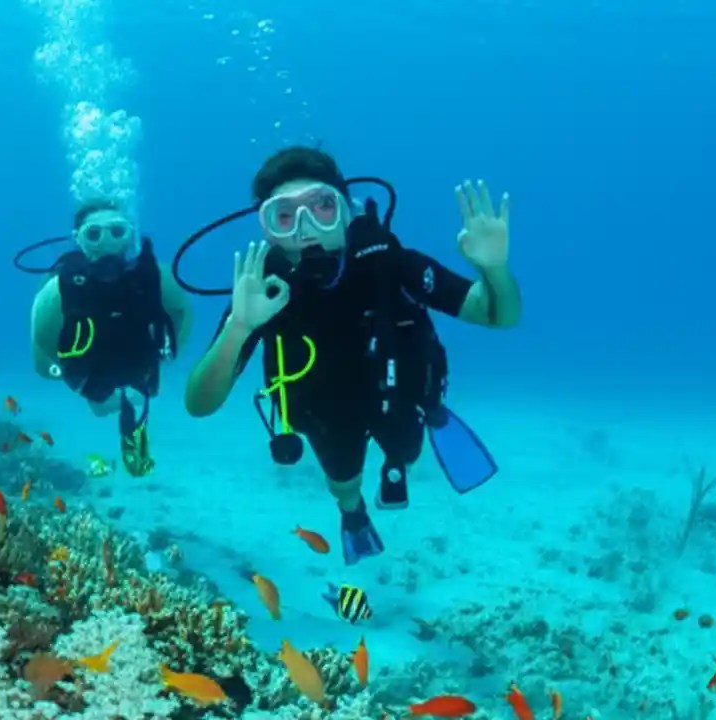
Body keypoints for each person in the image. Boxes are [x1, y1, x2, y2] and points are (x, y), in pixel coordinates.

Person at [177, 147, 521, 564]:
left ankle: (395, 466)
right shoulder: (260, 291)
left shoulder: (390, 262)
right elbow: (199, 404)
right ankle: (352, 512)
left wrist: (494, 269)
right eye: (284, 216)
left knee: (407, 453)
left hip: (399, 394)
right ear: (267, 229)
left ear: (345, 210)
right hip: (324, 412)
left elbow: (497, 316)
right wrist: (239, 327)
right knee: (343, 482)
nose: (305, 229)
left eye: (322, 207)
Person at [24, 198, 192, 476]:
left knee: (135, 397)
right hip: (90, 370)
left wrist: (167, 354)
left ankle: (127, 414)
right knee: (101, 405)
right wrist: (72, 376)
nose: (107, 243)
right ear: (79, 240)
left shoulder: (155, 277)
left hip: (139, 361)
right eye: (93, 234)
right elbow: (41, 348)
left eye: (117, 231)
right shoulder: (57, 291)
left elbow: (183, 311)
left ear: (129, 234)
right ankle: (107, 401)